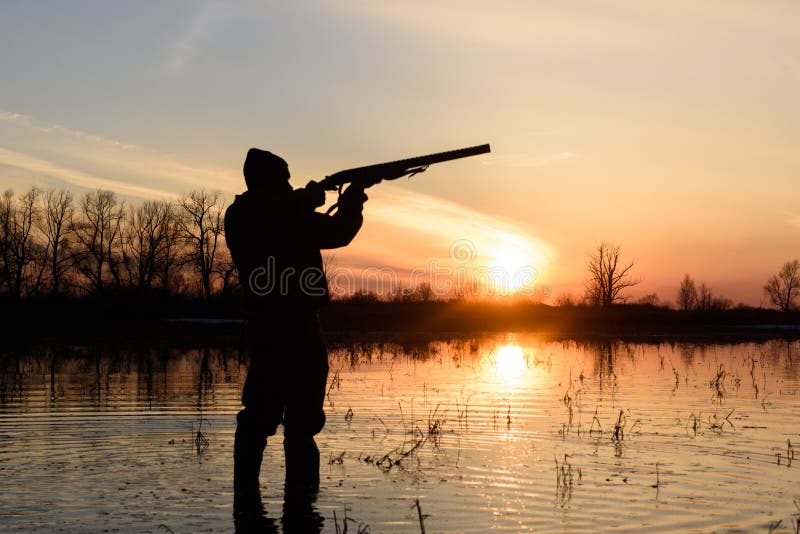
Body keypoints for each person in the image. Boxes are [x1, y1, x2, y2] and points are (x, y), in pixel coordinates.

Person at [225, 148, 370, 504]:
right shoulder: (244, 214)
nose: (291, 185)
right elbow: (270, 218)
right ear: (267, 182)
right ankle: (246, 500)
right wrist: (304, 200)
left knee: (303, 425)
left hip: (305, 328)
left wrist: (352, 199)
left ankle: (301, 507)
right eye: (284, 180)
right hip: (271, 327)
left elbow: (338, 232)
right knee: (260, 416)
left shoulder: (293, 216)